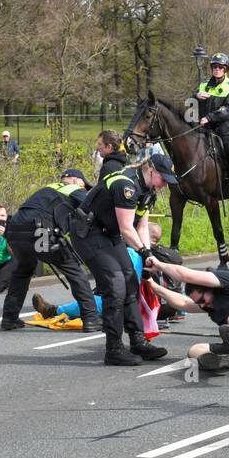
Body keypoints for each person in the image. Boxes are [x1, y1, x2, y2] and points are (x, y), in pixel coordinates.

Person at [72, 148, 168, 366]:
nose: (165, 185)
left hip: (110, 233)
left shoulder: (148, 190)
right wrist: (143, 251)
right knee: (115, 286)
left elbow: (141, 226)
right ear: (151, 170)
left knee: (130, 280)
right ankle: (114, 349)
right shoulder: (125, 185)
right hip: (88, 232)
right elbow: (127, 228)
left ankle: (138, 341)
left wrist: (147, 254)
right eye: (163, 179)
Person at [0, 168, 99, 332]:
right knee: (74, 270)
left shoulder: (47, 189)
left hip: (15, 231)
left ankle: (9, 318)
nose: (85, 189)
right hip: (39, 232)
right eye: (84, 185)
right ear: (75, 180)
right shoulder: (74, 189)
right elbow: (94, 209)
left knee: (23, 270)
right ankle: (90, 319)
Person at [146, 257, 229, 371]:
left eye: (202, 300)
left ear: (210, 288)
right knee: (194, 351)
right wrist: (153, 285)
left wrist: (159, 265)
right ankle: (222, 360)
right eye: (198, 303)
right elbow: (183, 303)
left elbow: (185, 275)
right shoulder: (209, 304)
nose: (202, 305)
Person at [196, 52, 229, 194]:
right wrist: (195, 95)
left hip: (225, 126)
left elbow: (228, 109)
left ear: (226, 69)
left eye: (221, 67)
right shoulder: (204, 85)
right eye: (215, 67)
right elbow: (190, 102)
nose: (217, 69)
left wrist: (209, 117)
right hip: (205, 126)